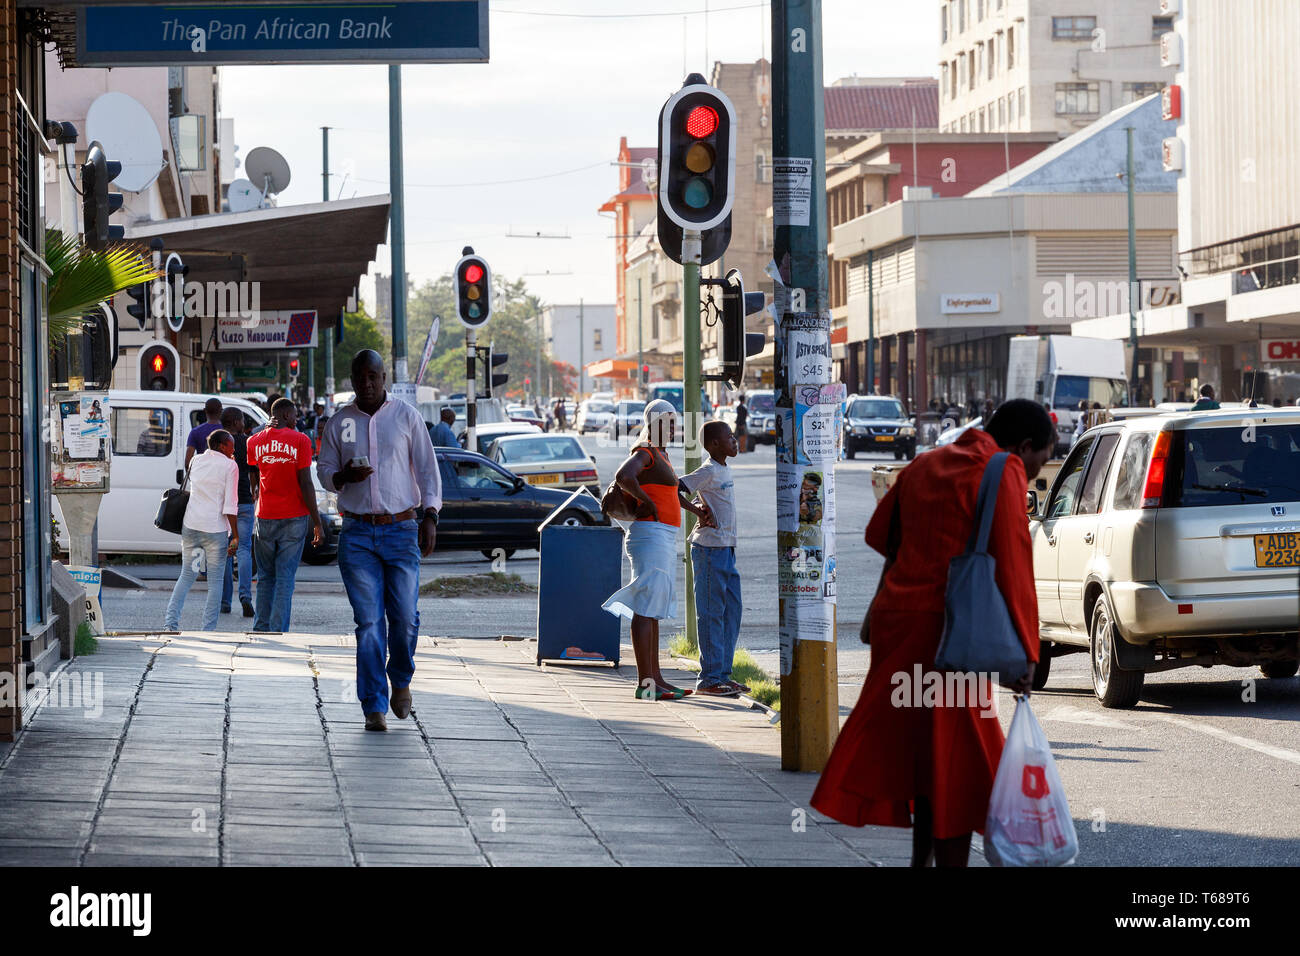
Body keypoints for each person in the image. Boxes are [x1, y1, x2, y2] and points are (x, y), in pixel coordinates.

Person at [810, 398, 1052, 868]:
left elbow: (881, 536)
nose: (1037, 470)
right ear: (1023, 447)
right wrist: (1027, 654)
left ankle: (920, 861)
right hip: (950, 637)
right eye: (1041, 461)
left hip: (898, 625)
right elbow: (1014, 566)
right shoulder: (1002, 472)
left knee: (925, 757)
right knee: (956, 763)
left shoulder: (923, 464)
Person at [318, 350, 442, 732]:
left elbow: (426, 468)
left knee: (404, 618)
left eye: (373, 376)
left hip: (402, 529)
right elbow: (323, 469)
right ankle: (373, 703)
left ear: (384, 376)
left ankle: (401, 679)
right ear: (352, 380)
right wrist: (342, 480)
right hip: (356, 534)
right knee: (369, 621)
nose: (367, 383)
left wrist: (431, 516)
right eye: (360, 377)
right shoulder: (339, 423)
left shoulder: (406, 417)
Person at [602, 399, 712, 701]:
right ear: (653, 423)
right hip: (649, 534)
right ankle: (646, 683)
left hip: (661, 534)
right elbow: (624, 477)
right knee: (646, 606)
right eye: (667, 421)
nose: (673, 427)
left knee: (653, 608)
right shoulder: (646, 452)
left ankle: (657, 680)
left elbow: (671, 493)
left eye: (675, 421)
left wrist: (695, 510)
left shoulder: (661, 455)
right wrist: (647, 503)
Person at [680, 421, 746, 697]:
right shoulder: (707, 471)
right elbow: (677, 488)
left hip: (727, 549)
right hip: (709, 551)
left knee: (732, 611)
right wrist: (697, 510)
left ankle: (723, 674)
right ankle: (708, 679)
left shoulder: (723, 469)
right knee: (711, 614)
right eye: (728, 437)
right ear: (714, 445)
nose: (734, 441)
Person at [247, 398, 322, 633]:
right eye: (295, 416)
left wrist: (257, 493)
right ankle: (278, 630)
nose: (297, 420)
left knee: (265, 576)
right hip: (294, 516)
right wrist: (317, 521)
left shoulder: (253, 441)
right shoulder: (300, 440)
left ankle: (261, 627)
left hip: (265, 516)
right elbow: (306, 483)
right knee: (285, 577)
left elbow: (253, 476)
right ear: (287, 415)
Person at [164, 429, 239, 632]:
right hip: (215, 531)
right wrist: (235, 535)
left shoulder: (196, 460)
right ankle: (208, 629)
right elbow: (230, 505)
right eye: (231, 444)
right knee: (215, 582)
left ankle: (170, 623)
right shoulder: (230, 466)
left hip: (191, 526)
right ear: (222, 445)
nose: (234, 448)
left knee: (187, 575)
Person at [219, 408, 258, 618]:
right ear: (235, 422)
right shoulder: (247, 442)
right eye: (242, 420)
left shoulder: (218, 443)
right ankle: (245, 597)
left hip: (223, 504)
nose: (244, 424)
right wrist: (253, 491)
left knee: (225, 552)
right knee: (243, 548)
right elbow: (253, 471)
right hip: (243, 501)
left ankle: (224, 601)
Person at [185, 397, 224, 470]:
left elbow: (188, 462)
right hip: (222, 475)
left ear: (204, 411)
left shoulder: (195, 432)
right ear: (221, 411)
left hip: (203, 474)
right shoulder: (226, 431)